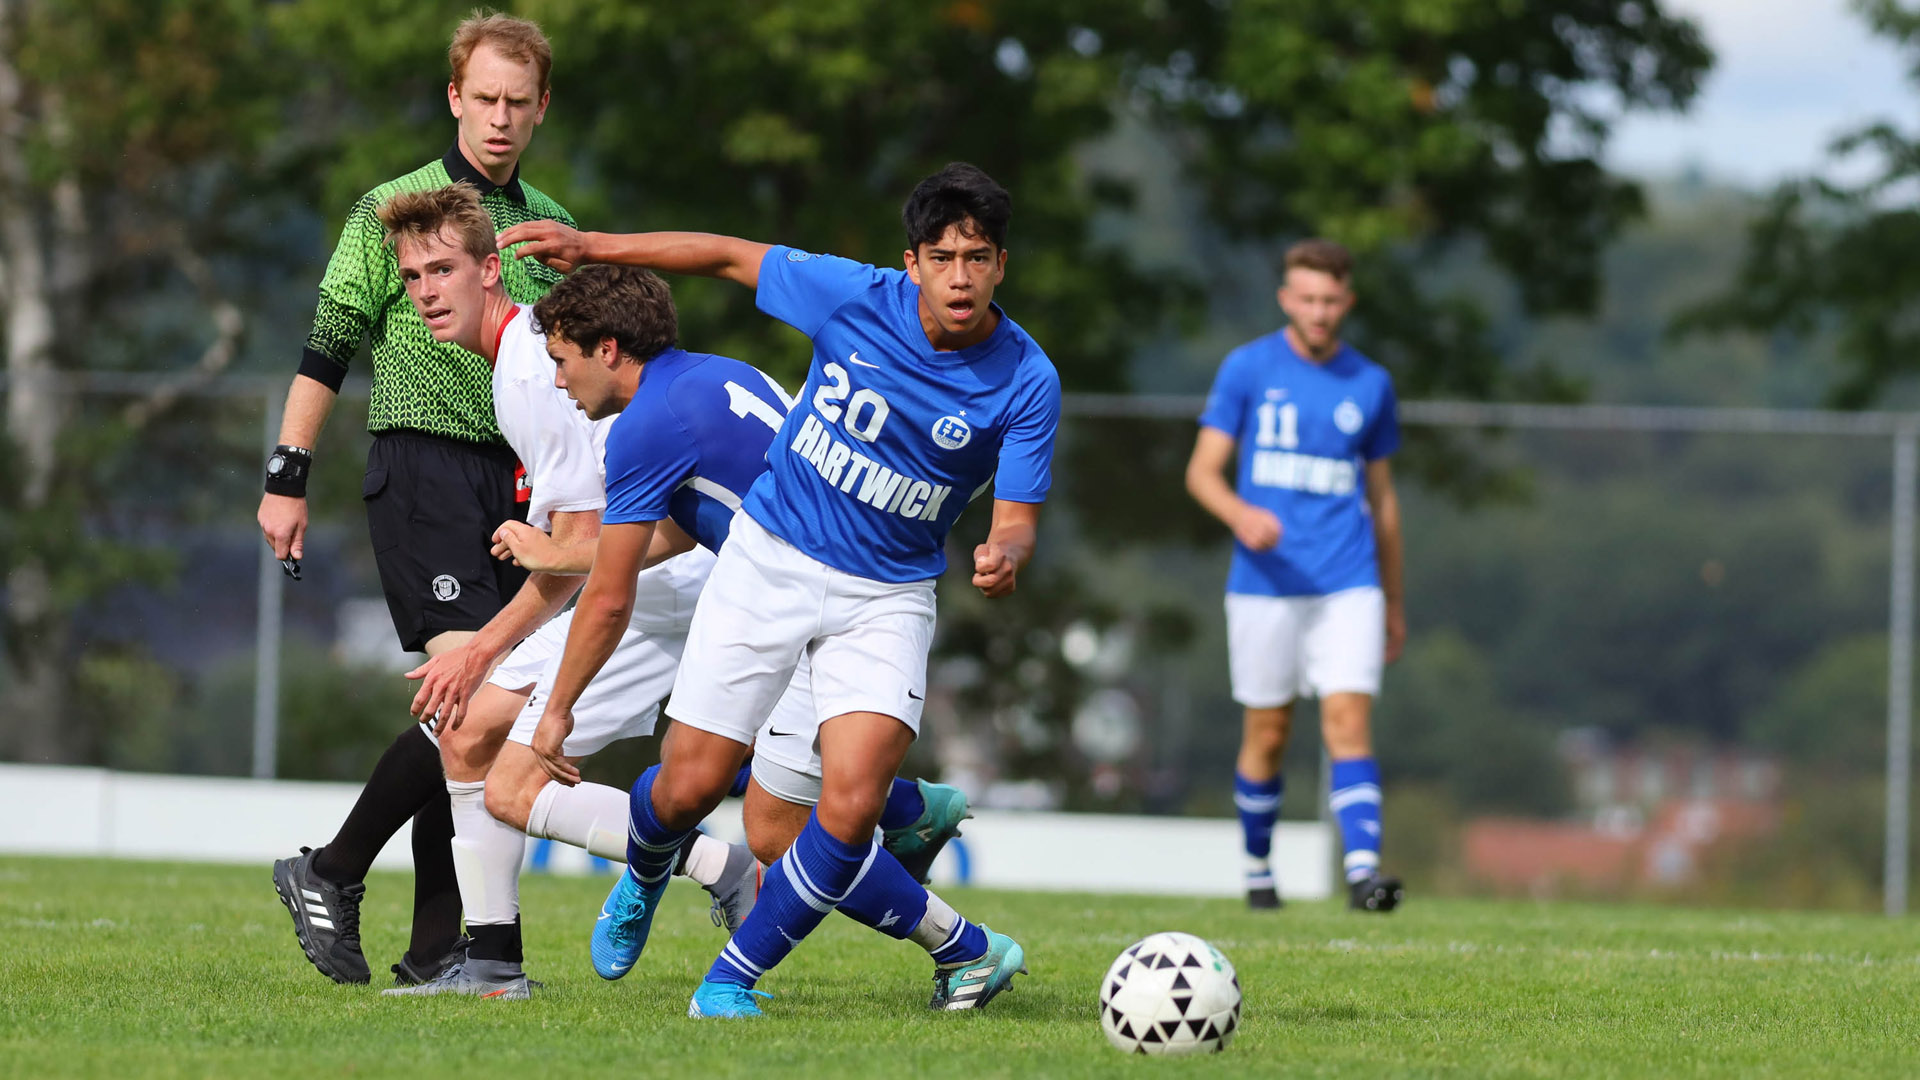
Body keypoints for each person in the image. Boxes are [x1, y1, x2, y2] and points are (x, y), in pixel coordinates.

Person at [499, 161, 1057, 1018]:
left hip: (888, 596)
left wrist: (1005, 551)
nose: (959, 276)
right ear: (910, 263)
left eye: (977, 257)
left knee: (836, 810)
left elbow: (1016, 516)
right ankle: (649, 870)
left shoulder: (1027, 378)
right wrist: (592, 247)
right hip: (769, 563)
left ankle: (729, 981)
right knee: (686, 789)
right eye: (941, 257)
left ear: (1000, 266)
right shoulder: (852, 297)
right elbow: (727, 255)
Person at [361, 184, 762, 1000]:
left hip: (669, 594)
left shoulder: (526, 370)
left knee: (510, 773)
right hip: (667, 580)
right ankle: (494, 964)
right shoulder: (522, 361)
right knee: (468, 732)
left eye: (445, 269)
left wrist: (481, 645)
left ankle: (722, 866)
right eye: (412, 277)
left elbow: (581, 554)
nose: (428, 291)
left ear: (491, 270)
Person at [266, 13, 576, 986]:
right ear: (454, 97)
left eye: (516, 104)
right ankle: (332, 870)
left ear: (540, 110)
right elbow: (329, 338)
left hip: (514, 492)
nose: (498, 118)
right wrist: (288, 473)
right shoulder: (392, 207)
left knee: (480, 731)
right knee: (471, 704)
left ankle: (435, 952)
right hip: (422, 471)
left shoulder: (550, 224)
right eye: (483, 99)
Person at [1184, 238, 1407, 913]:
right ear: (1287, 298)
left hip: (1348, 580)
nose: (1318, 311)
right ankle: (1258, 870)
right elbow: (1201, 472)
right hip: (1264, 583)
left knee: (1347, 720)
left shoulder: (1370, 384)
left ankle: (1363, 874)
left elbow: (1384, 499)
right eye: (1306, 298)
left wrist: (1394, 598)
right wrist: (1239, 513)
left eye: (1330, 299)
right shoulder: (1248, 368)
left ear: (1348, 302)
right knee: (1269, 732)